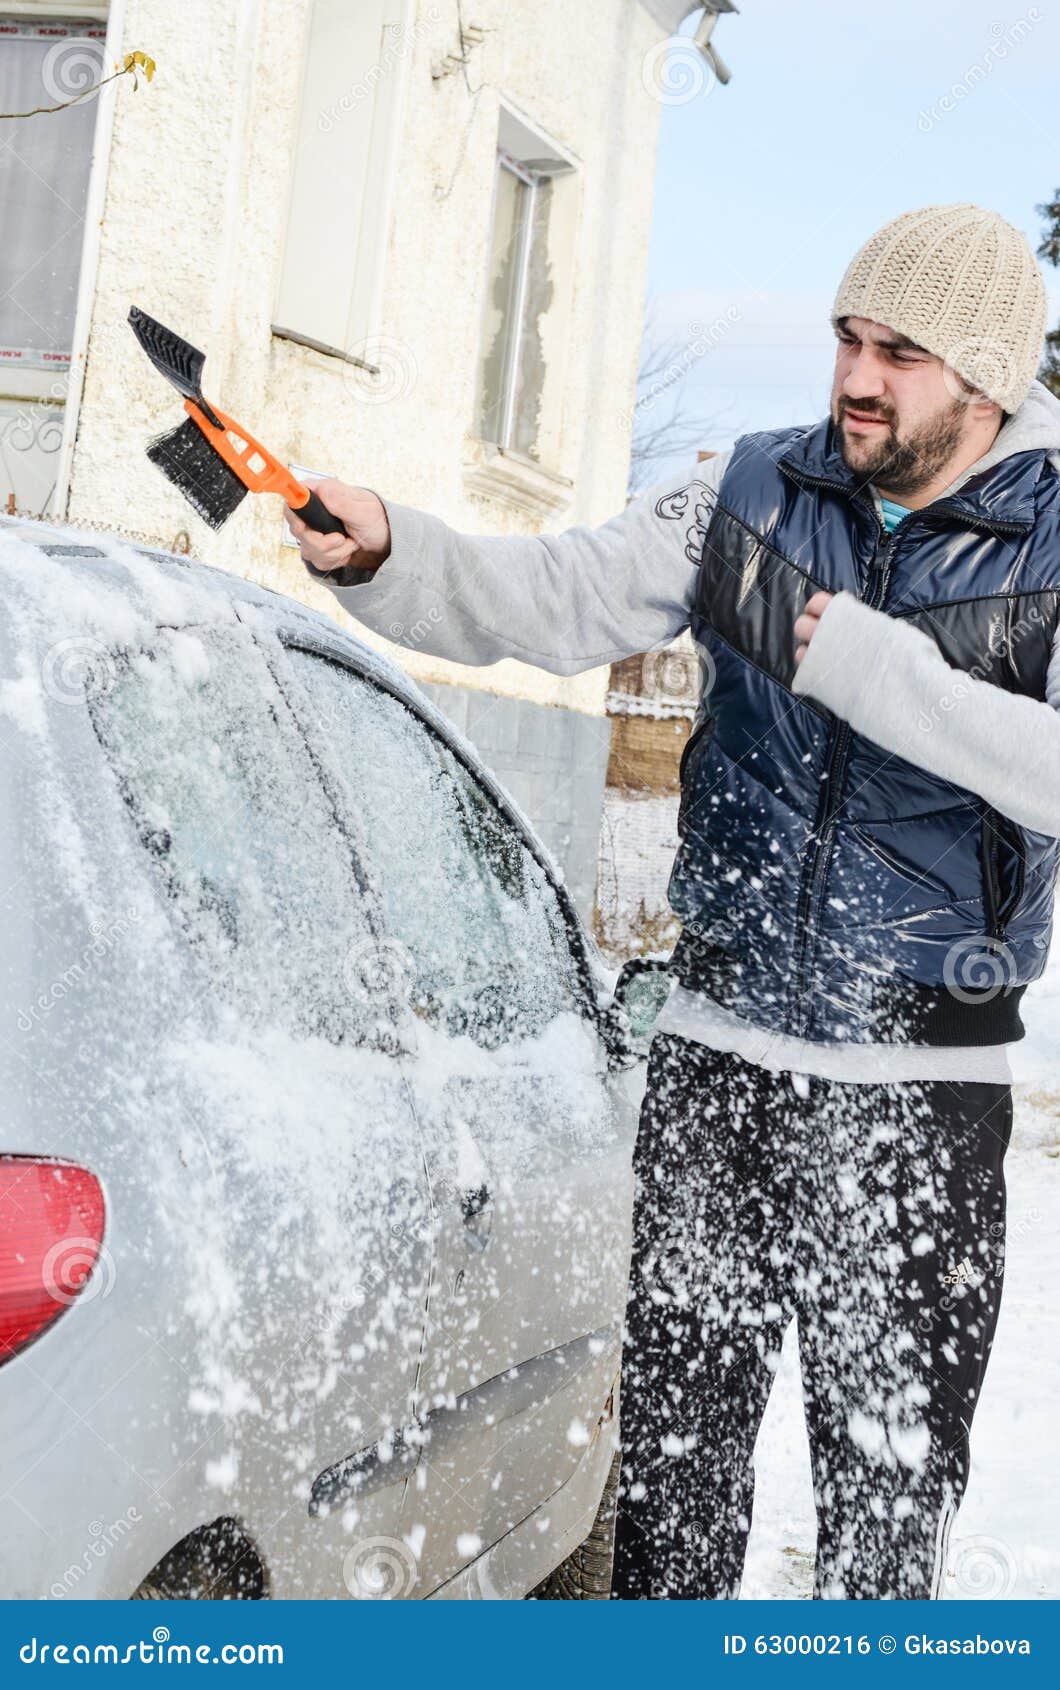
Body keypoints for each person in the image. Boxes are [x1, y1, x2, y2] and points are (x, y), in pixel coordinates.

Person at [288, 204, 1060, 1599]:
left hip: (922, 1093)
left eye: (900, 354)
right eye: (847, 338)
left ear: (988, 382)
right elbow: (552, 596)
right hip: (720, 1066)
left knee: (886, 1529)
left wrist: (876, 673)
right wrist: (397, 552)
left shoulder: (1052, 536)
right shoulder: (749, 492)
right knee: (668, 1503)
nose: (857, 377)